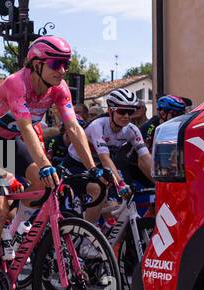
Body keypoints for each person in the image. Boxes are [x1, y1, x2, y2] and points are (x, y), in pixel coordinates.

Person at [0, 35, 99, 290]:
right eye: (56, 63)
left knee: (41, 184)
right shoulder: (16, 83)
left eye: (66, 64)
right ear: (36, 63)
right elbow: (27, 128)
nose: (62, 70)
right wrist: (45, 162)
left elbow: (73, 129)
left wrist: (93, 168)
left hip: (9, 140)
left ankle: (13, 234)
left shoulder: (60, 89)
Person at [62, 88, 152, 224]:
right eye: (122, 111)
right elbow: (105, 158)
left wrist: (160, 181)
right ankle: (86, 238)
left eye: (130, 111)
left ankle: (106, 235)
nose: (126, 116)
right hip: (76, 165)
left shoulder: (132, 130)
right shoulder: (98, 125)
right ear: (110, 110)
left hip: (99, 167)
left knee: (114, 208)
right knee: (99, 190)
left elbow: (146, 158)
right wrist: (120, 184)